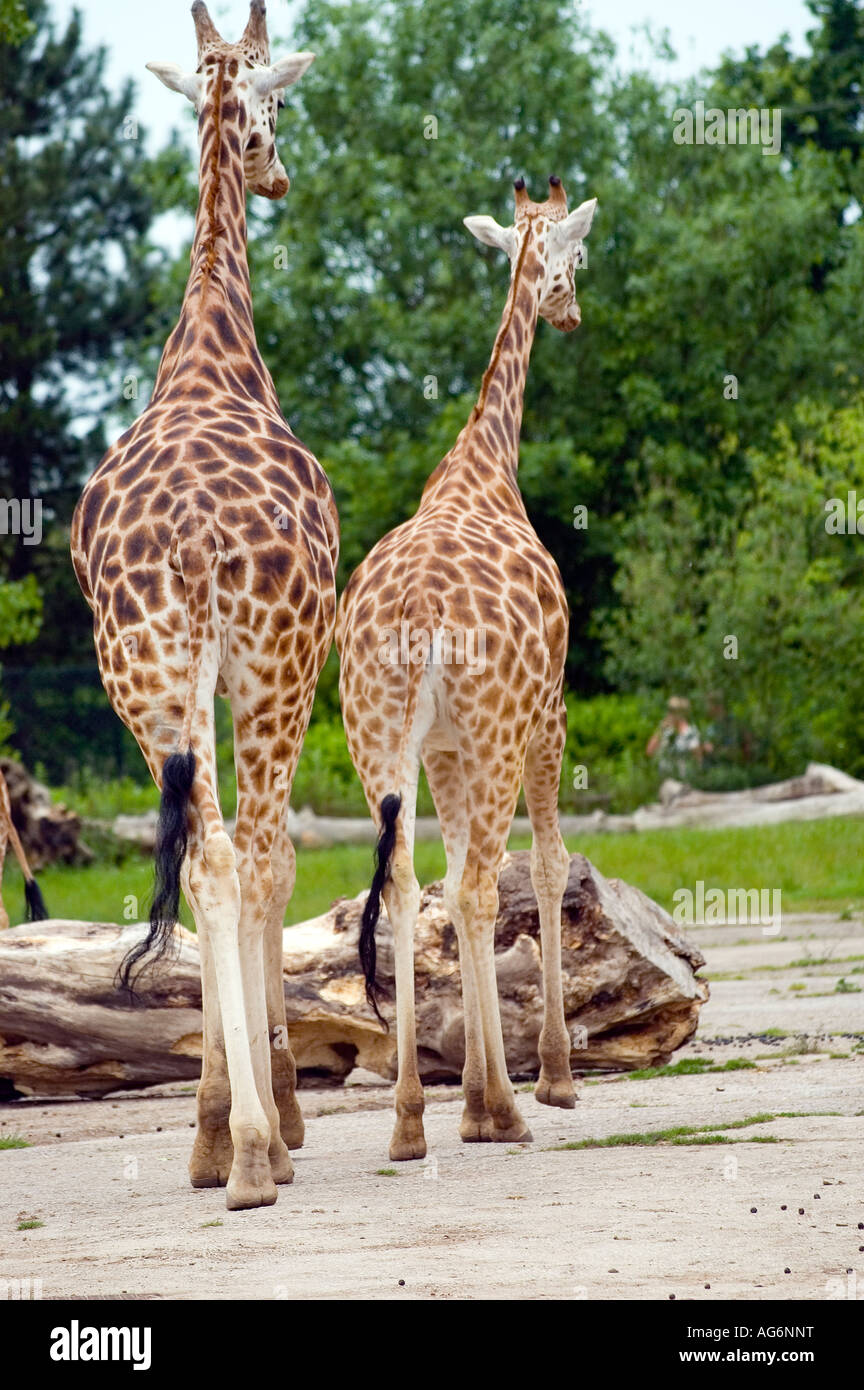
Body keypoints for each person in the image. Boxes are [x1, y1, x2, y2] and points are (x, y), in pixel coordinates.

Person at [646, 696, 704, 780]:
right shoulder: (666, 730)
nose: (669, 714)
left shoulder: (690, 733)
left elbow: (698, 760)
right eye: (669, 710)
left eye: (673, 711)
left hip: (682, 782)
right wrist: (660, 730)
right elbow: (649, 751)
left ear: (682, 713)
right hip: (664, 780)